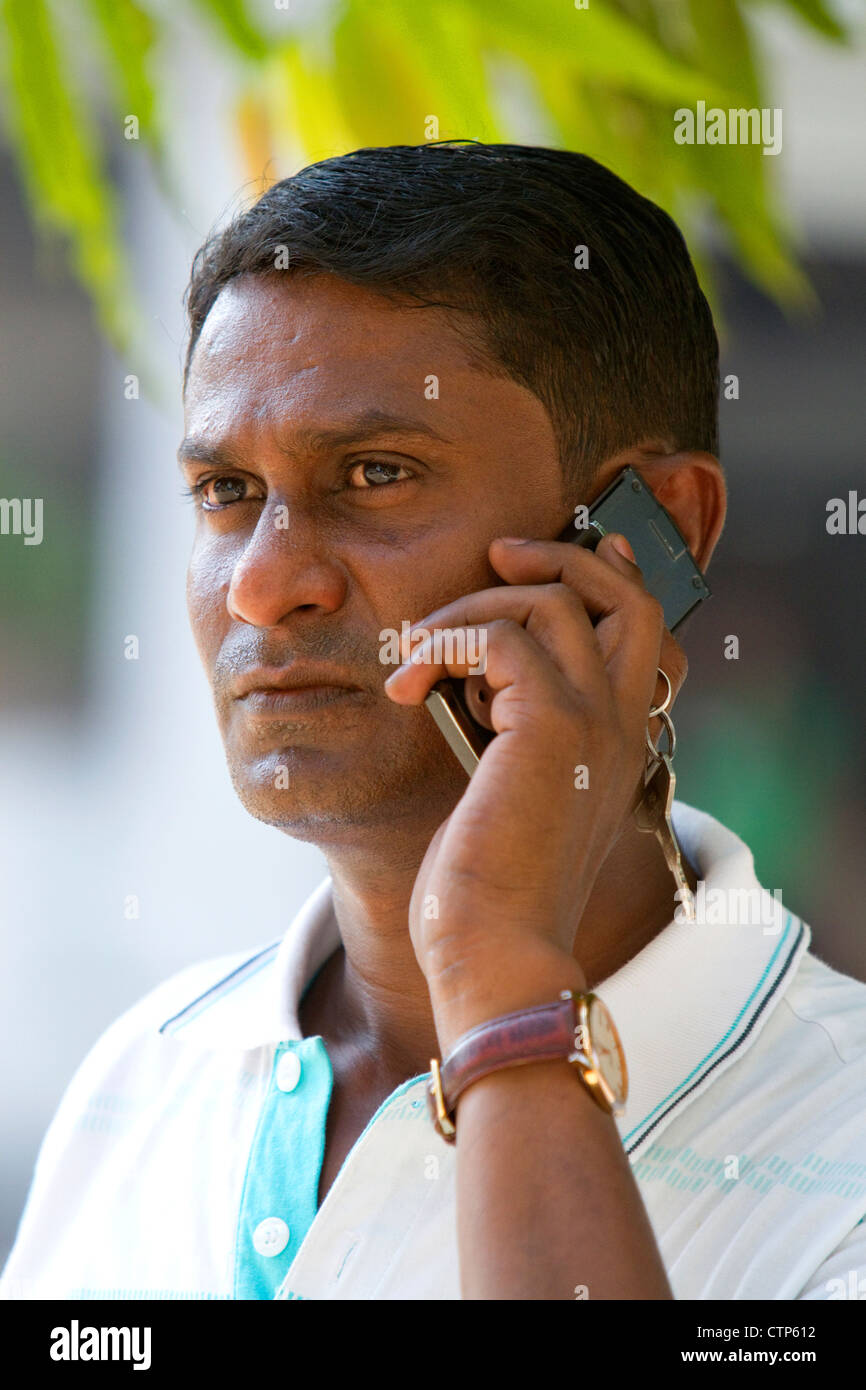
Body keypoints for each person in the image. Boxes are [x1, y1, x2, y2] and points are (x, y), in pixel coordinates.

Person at [3, 143, 865, 1301]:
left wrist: (500, 980)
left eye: (372, 474)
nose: (262, 585)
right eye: (225, 493)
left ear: (643, 536)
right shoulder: (147, 1076)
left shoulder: (838, 1145)